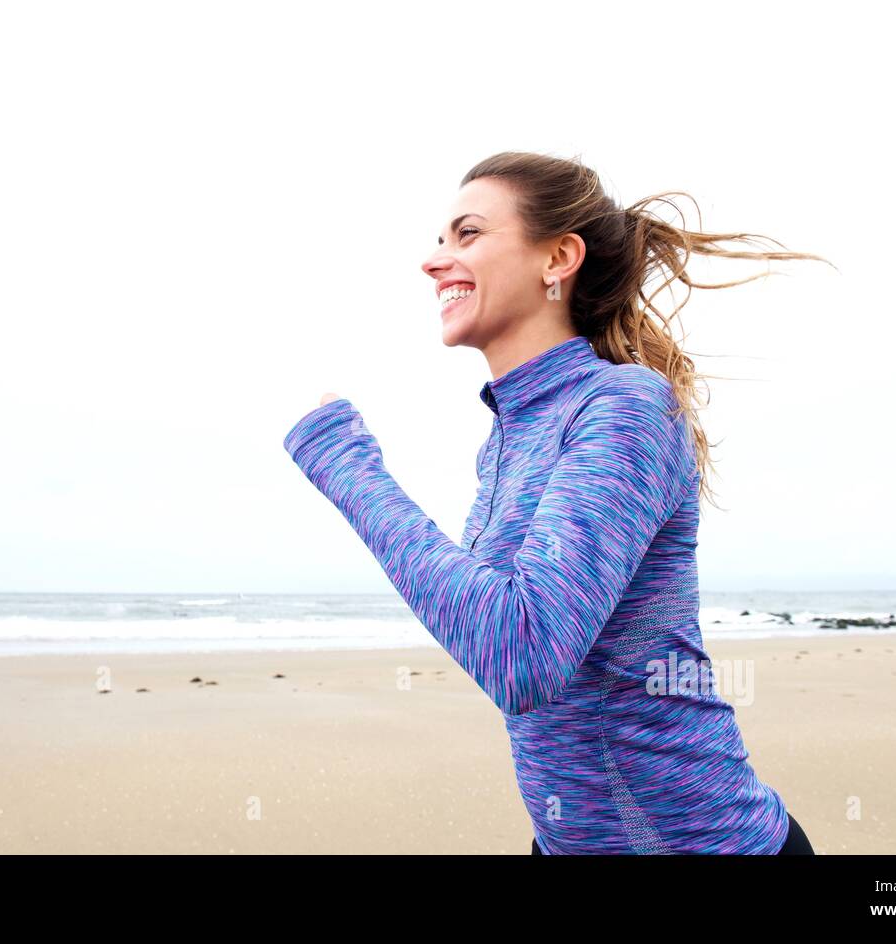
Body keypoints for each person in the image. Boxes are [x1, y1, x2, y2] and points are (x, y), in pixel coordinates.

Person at [283, 151, 831, 854]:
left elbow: (524, 653)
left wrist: (350, 471)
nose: (434, 260)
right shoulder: (509, 436)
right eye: (441, 239)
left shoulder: (623, 407)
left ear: (558, 258)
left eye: (468, 234)